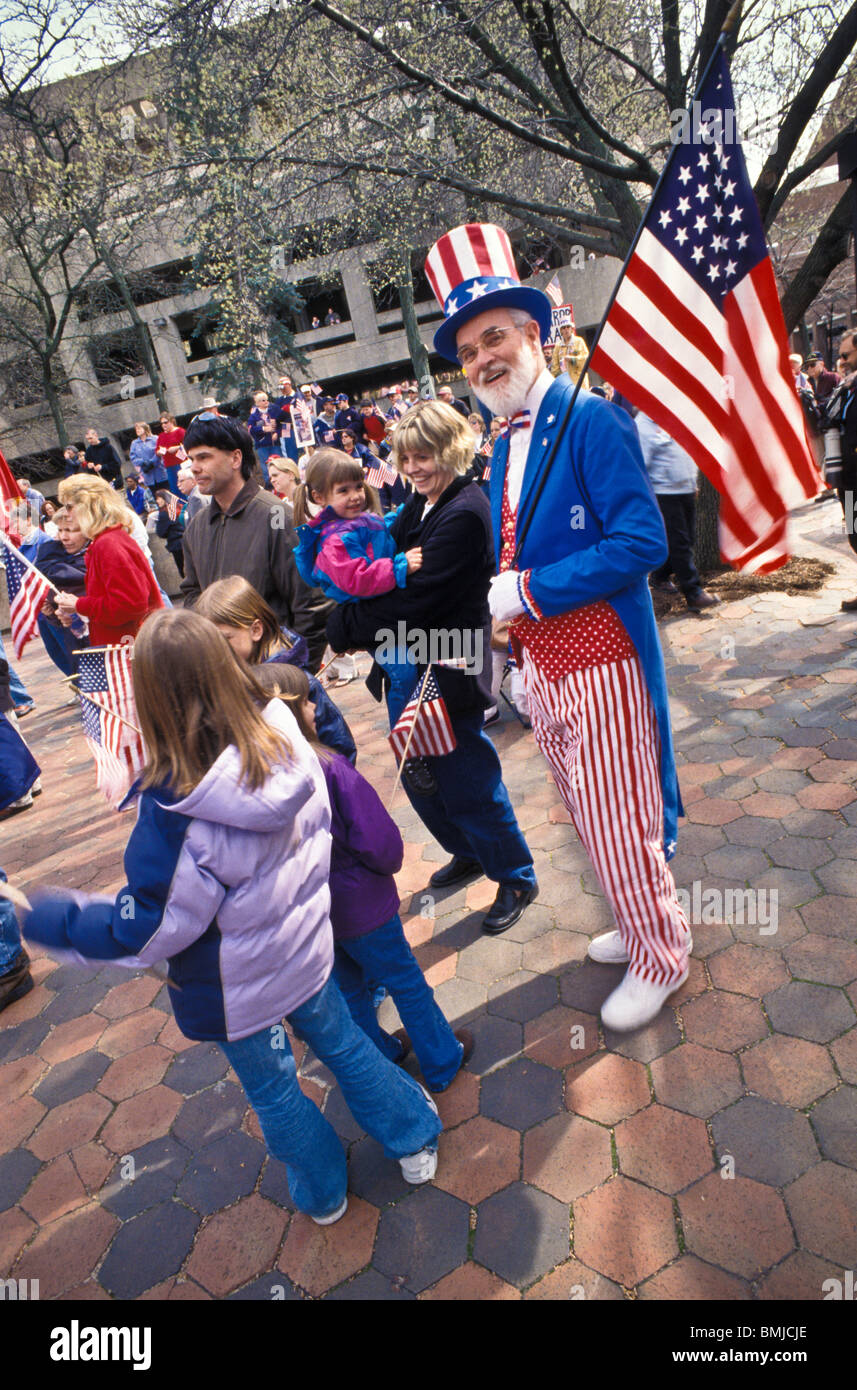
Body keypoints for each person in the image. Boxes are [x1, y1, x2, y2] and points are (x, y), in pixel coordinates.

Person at [19, 609, 443, 1222]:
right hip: (304, 950)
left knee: (273, 1091)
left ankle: (324, 1192)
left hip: (236, 989)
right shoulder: (287, 736)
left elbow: (149, 928)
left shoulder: (175, 811)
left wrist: (55, 920)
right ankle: (412, 1137)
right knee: (345, 1043)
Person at [424, 221, 691, 1029]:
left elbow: (640, 542)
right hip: (546, 666)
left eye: (494, 337)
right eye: (467, 350)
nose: (481, 360)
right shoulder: (505, 433)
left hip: (602, 660)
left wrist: (529, 593)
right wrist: (511, 614)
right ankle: (645, 920)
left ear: (533, 332)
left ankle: (661, 953)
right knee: (587, 812)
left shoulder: (586, 418)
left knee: (619, 817)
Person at [326, 400, 539, 937]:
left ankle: (515, 874)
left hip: (449, 657)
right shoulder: (422, 505)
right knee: (422, 776)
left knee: (467, 776)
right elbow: (379, 574)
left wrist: (346, 625)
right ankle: (468, 851)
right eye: (406, 458)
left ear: (450, 450)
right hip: (408, 658)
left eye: (424, 456)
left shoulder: (464, 510)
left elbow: (415, 599)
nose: (414, 468)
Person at [266, 662, 473, 1092]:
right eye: (306, 699)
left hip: (315, 911)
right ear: (286, 711)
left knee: (353, 995)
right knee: (404, 981)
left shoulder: (259, 780)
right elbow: (380, 843)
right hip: (362, 905)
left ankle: (383, 1064)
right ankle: (441, 1059)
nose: (313, 705)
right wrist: (386, 864)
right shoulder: (332, 769)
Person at [179, 414, 332, 670]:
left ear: (236, 458)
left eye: (204, 457)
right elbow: (193, 595)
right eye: (191, 458)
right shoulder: (196, 526)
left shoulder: (276, 515)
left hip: (276, 678)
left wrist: (293, 673)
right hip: (227, 679)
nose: (194, 467)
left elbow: (312, 606)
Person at [294, 449, 423, 720]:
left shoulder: (358, 520)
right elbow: (357, 579)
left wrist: (401, 515)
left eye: (358, 487)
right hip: (368, 613)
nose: (355, 496)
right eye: (343, 490)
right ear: (319, 497)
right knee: (403, 669)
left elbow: (378, 531)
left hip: (384, 607)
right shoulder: (333, 541)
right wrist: (400, 566)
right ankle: (407, 733)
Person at [194, 574, 356, 763]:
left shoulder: (297, 683)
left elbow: (338, 745)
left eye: (224, 639)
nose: (215, 649)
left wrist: (330, 782)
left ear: (255, 630)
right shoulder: (219, 684)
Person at [54, 475, 164, 645]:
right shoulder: (106, 540)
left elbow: (129, 606)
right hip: (128, 645)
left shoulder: (108, 544)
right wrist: (77, 608)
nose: (67, 513)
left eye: (69, 506)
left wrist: (79, 605)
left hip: (131, 649)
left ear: (89, 506)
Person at [636, 414, 719, 611]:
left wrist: (693, 482)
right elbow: (642, 465)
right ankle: (694, 593)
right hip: (664, 493)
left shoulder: (673, 418)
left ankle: (660, 575)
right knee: (680, 544)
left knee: (687, 540)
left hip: (685, 490)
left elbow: (686, 452)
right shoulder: (643, 426)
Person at [36, 506, 90, 675]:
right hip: (78, 644)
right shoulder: (55, 556)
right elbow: (63, 620)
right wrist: (51, 613)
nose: (63, 537)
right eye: (60, 530)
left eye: (70, 530)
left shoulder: (94, 556)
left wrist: (77, 606)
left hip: (105, 640)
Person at [247, 389, 281, 481]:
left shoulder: (273, 411)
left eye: (266, 400)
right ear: (257, 403)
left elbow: (281, 424)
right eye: (263, 400)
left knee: (279, 464)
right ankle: (270, 485)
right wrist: (263, 429)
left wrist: (277, 433)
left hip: (275, 444)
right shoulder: (254, 416)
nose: (266, 402)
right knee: (266, 466)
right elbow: (251, 429)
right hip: (262, 445)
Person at [153, 490, 186, 577]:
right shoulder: (179, 507)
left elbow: (160, 532)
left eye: (159, 498)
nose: (157, 501)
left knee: (184, 571)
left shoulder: (164, 513)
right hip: (186, 541)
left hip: (176, 545)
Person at [549, 320, 589, 387]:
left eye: (568, 327)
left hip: (580, 383)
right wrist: (561, 378)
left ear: (572, 329)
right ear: (561, 331)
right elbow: (554, 368)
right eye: (564, 328)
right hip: (566, 385)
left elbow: (586, 359)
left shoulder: (579, 341)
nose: (566, 329)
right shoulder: (558, 346)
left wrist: (573, 359)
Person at [130, 422, 168, 492]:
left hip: (160, 472)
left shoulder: (155, 438)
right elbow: (133, 458)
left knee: (167, 494)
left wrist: (152, 461)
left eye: (139, 428)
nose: (137, 430)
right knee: (156, 497)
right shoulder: (134, 443)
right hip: (148, 475)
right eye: (136, 429)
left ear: (145, 429)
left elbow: (160, 451)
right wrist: (143, 462)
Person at [155, 413, 187, 496]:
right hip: (169, 466)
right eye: (162, 423)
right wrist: (160, 452)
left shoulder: (180, 431)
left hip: (182, 464)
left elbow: (188, 445)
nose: (163, 425)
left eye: (165, 422)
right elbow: (157, 451)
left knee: (185, 486)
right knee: (175, 489)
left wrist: (176, 448)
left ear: (172, 421)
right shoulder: (161, 436)